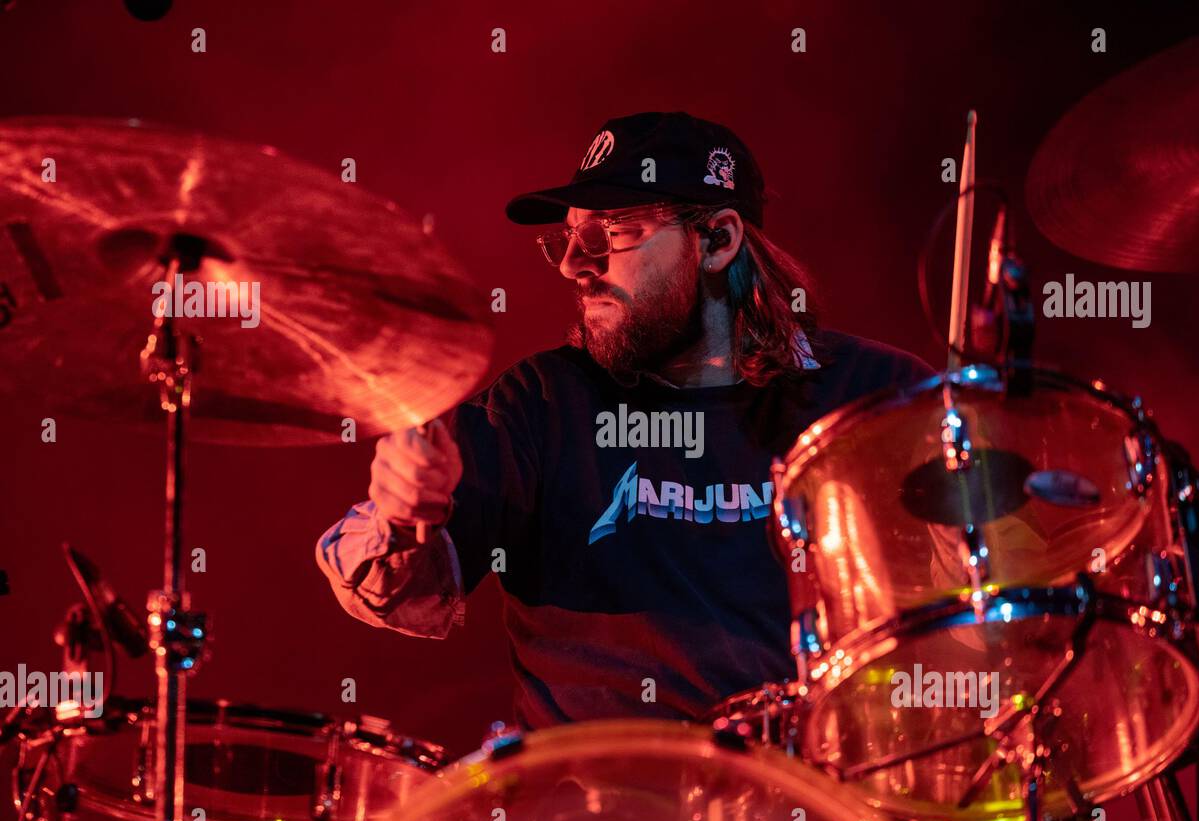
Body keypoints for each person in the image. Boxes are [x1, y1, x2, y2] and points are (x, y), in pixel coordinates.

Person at [316, 111, 931, 729]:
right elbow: (406, 599)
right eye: (568, 238)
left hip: (808, 801)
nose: (573, 265)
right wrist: (401, 518)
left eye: (611, 232)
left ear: (718, 240)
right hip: (588, 807)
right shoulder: (541, 402)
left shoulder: (878, 396)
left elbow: (992, 598)